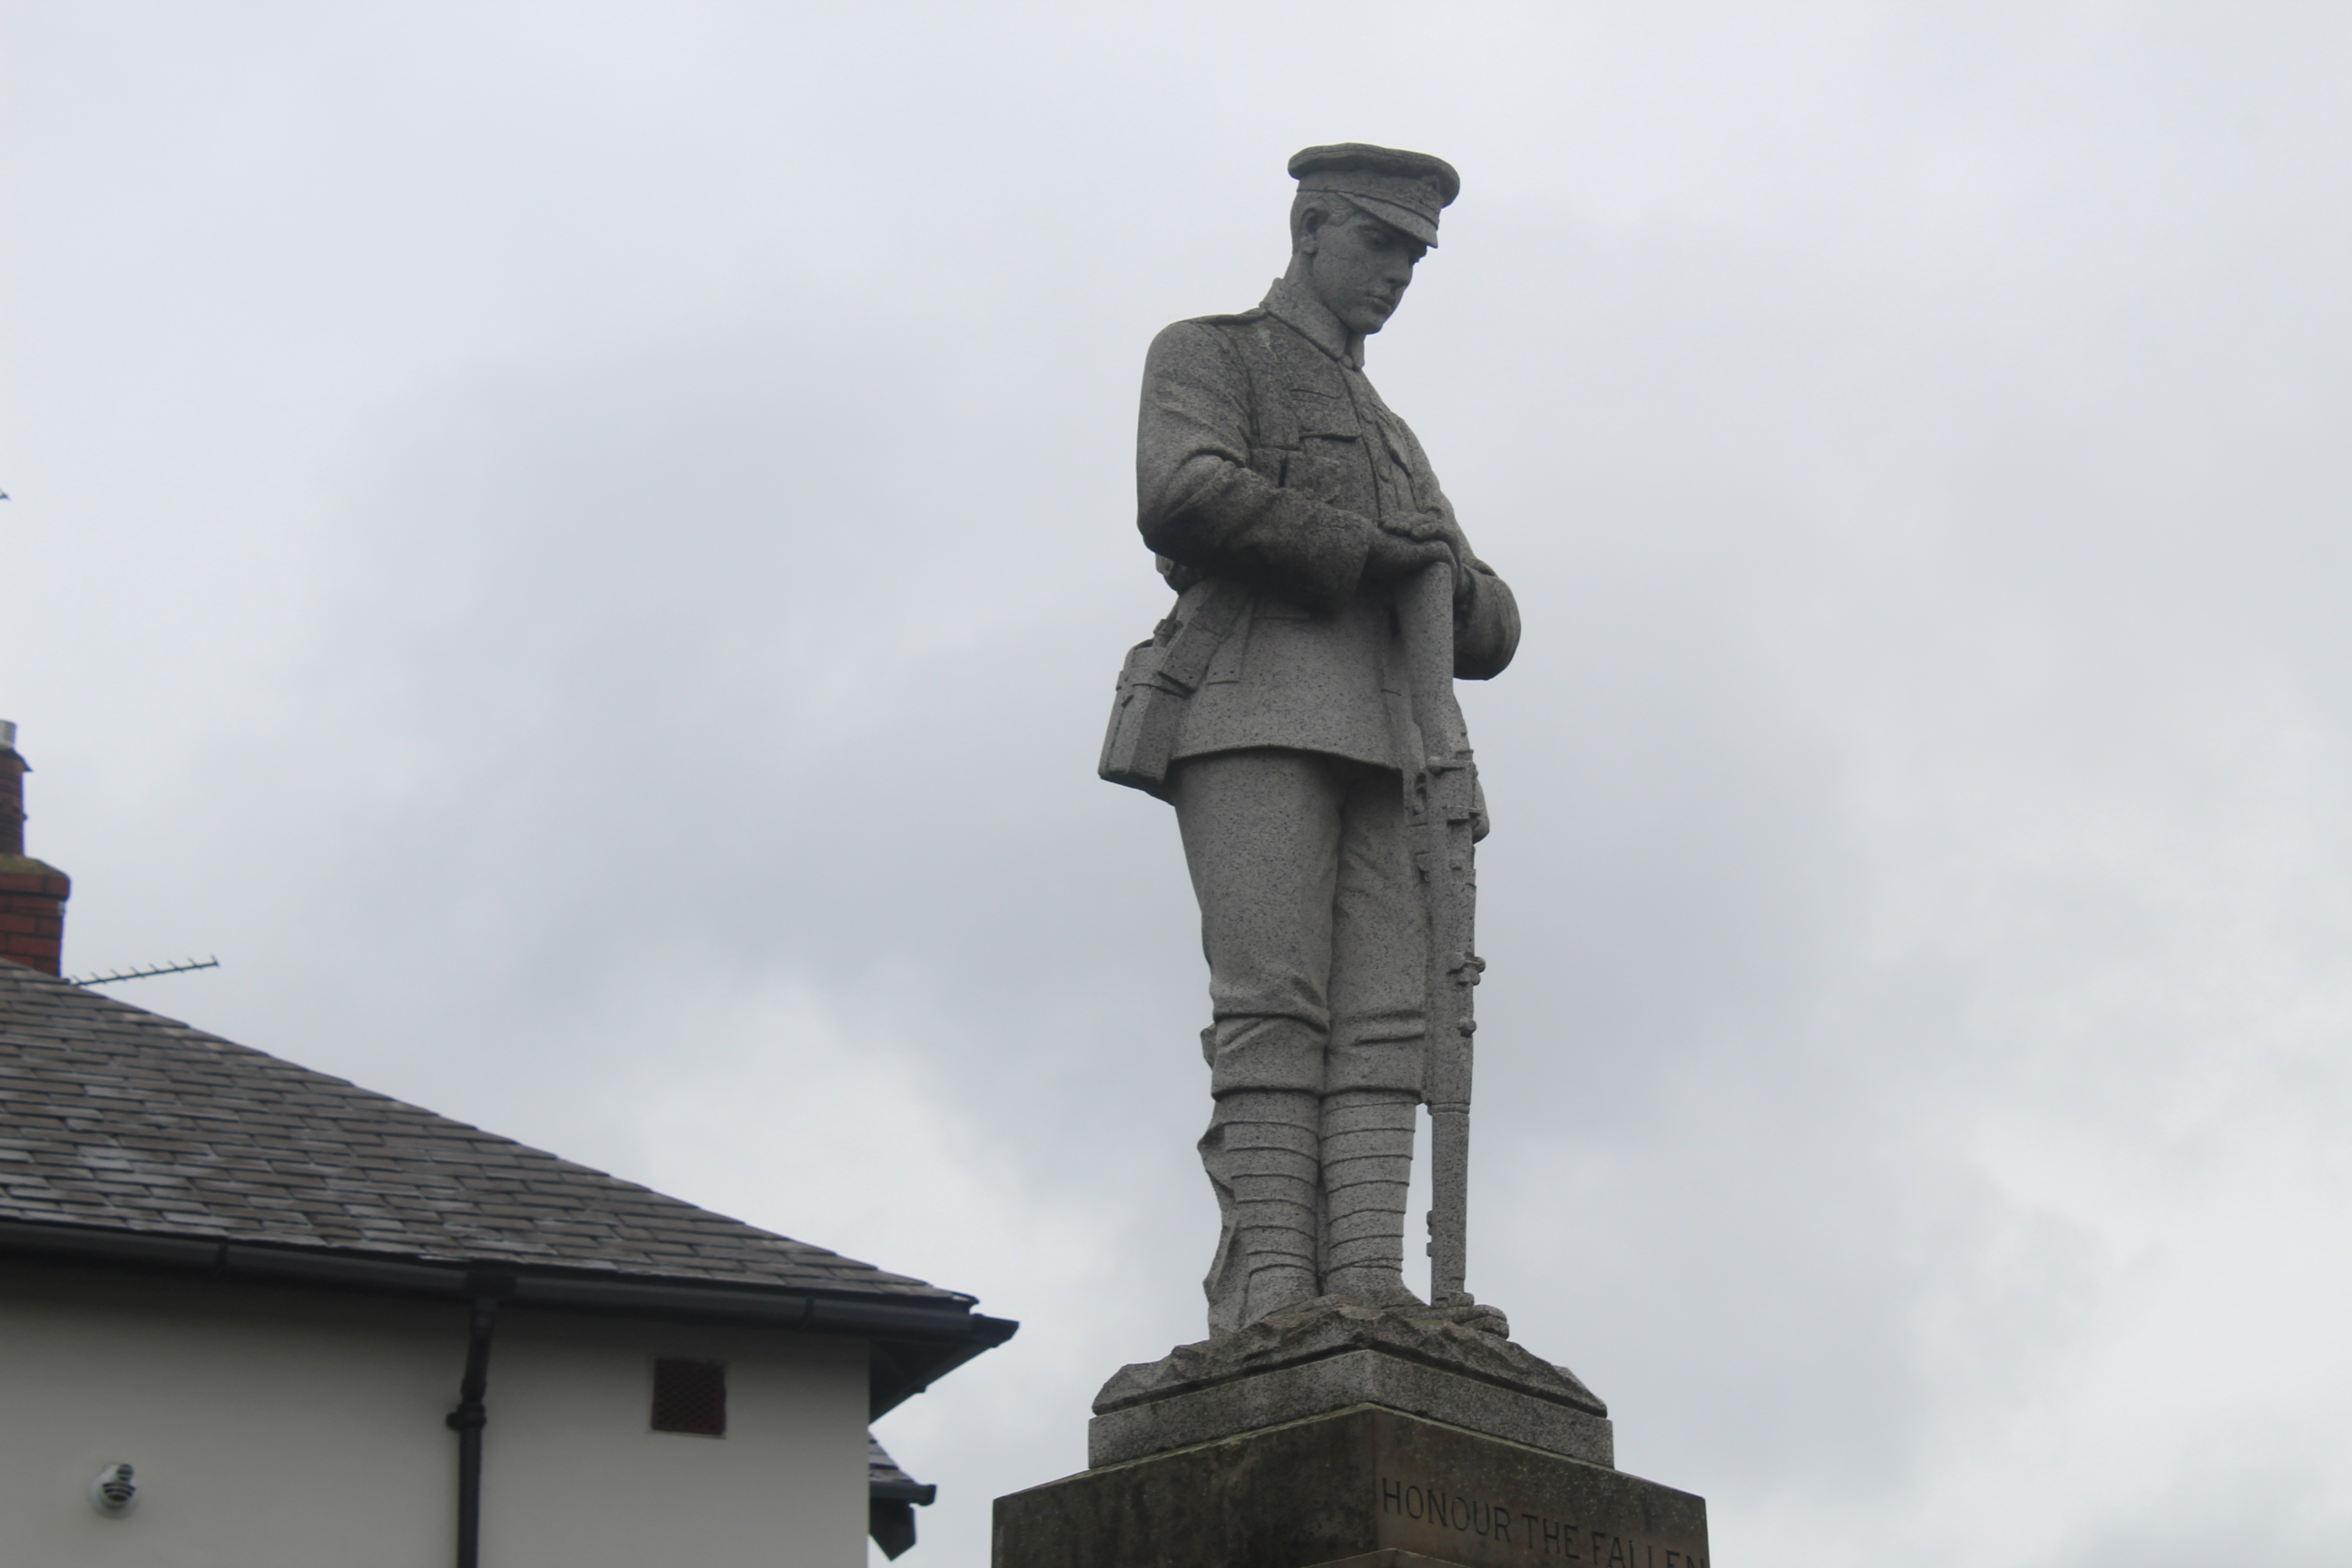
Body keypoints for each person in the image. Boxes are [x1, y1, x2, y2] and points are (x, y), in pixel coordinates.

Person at [1102, 144, 1520, 1337]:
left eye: (1413, 257)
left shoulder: (1392, 432)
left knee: (1393, 1013)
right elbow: (1181, 491)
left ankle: (1373, 1289)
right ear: (1311, 225)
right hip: (1250, 704)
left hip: (1396, 741)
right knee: (1273, 1001)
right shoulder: (1212, 353)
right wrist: (1369, 554)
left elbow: (1483, 620)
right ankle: (1278, 1291)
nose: (1396, 275)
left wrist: (1459, 586)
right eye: (1379, 244)